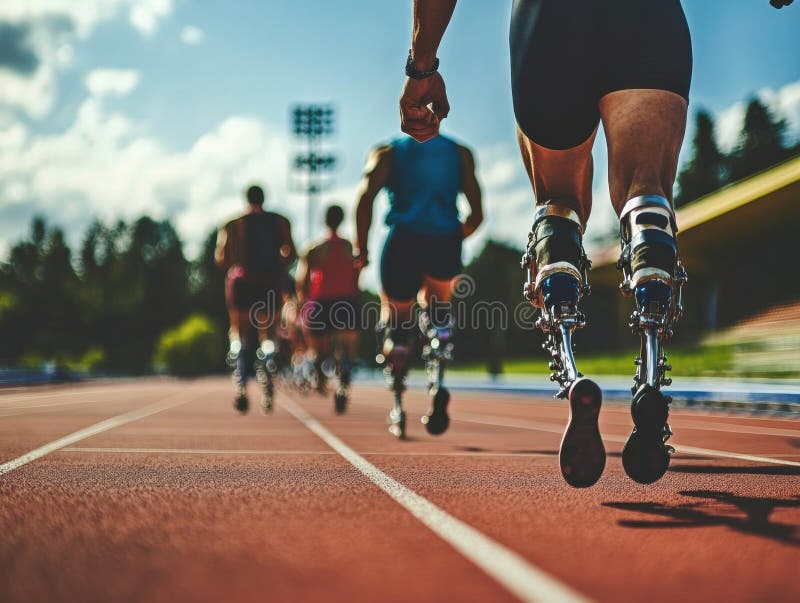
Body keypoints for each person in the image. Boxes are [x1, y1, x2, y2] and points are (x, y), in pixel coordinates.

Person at [396, 0, 721, 486]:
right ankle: (651, 379)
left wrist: (422, 67)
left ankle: (571, 373)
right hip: (646, 17)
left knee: (559, 202)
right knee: (645, 193)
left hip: (550, 18)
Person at [354, 133, 483, 438]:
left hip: (403, 241)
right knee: (439, 309)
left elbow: (365, 197)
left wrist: (361, 249)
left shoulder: (386, 152)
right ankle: (437, 372)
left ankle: (398, 400)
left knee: (396, 318)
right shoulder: (460, 153)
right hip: (445, 240)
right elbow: (477, 214)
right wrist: (451, 237)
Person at [215, 184, 297, 413]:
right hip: (269, 281)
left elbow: (221, 259)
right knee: (268, 332)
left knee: (239, 331)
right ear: (264, 198)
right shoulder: (281, 221)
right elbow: (291, 253)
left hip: (241, 281)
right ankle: (268, 366)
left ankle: (241, 383)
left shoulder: (232, 224)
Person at [295, 205, 361, 413]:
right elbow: (356, 275)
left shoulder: (314, 249)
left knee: (318, 352)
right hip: (346, 302)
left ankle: (320, 376)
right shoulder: (350, 247)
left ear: (324, 221)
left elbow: (301, 282)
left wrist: (302, 304)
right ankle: (342, 385)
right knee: (346, 351)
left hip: (321, 303)